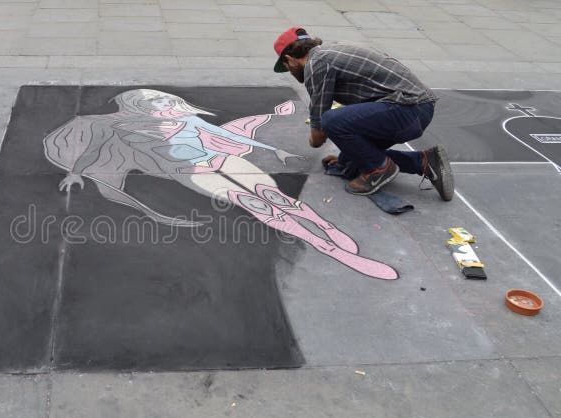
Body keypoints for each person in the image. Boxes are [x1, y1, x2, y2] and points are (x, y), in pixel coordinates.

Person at [45, 89, 398, 279]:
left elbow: (226, 135)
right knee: (258, 206)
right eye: (159, 101)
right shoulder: (127, 127)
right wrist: (78, 169)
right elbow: (96, 145)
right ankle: (331, 250)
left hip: (223, 160)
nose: (169, 102)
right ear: (141, 106)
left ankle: (325, 227)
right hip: (194, 172)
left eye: (168, 99)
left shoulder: (189, 118)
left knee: (275, 196)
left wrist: (276, 151)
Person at [272, 26, 454, 200]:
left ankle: (379, 169)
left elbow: (319, 132)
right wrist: (351, 154)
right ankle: (425, 162)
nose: (289, 71)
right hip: (415, 109)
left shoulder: (316, 63)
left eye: (287, 66)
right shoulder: (330, 51)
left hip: (407, 109)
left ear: (290, 59)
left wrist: (313, 139)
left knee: (331, 120)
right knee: (351, 163)